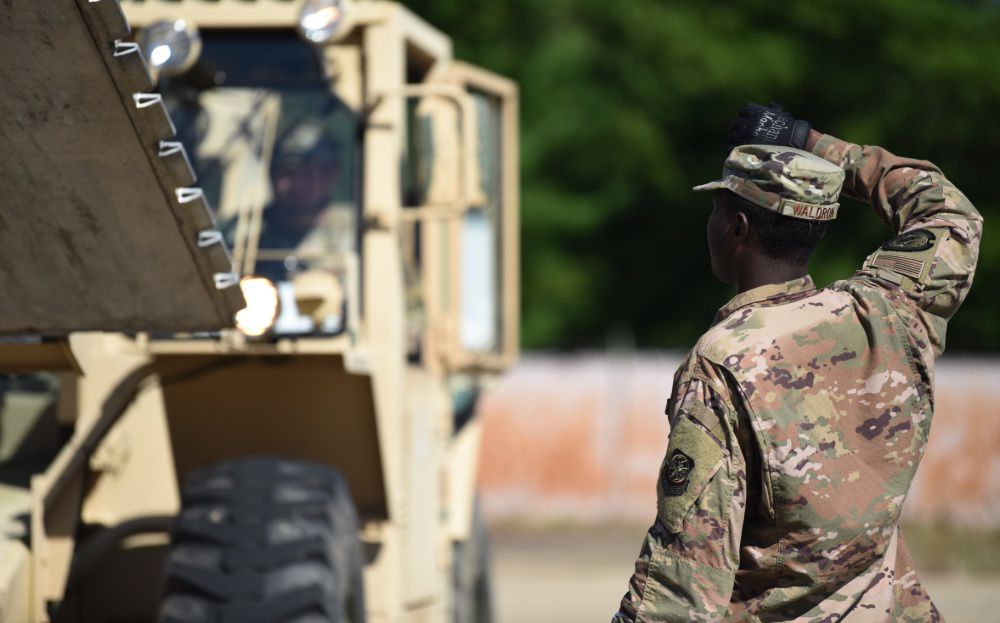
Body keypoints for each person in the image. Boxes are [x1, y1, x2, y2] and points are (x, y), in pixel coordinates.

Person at [611, 103, 983, 622]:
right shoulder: (888, 312)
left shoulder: (724, 364)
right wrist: (812, 142)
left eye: (715, 209)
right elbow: (947, 211)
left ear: (736, 228)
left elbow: (683, 581)